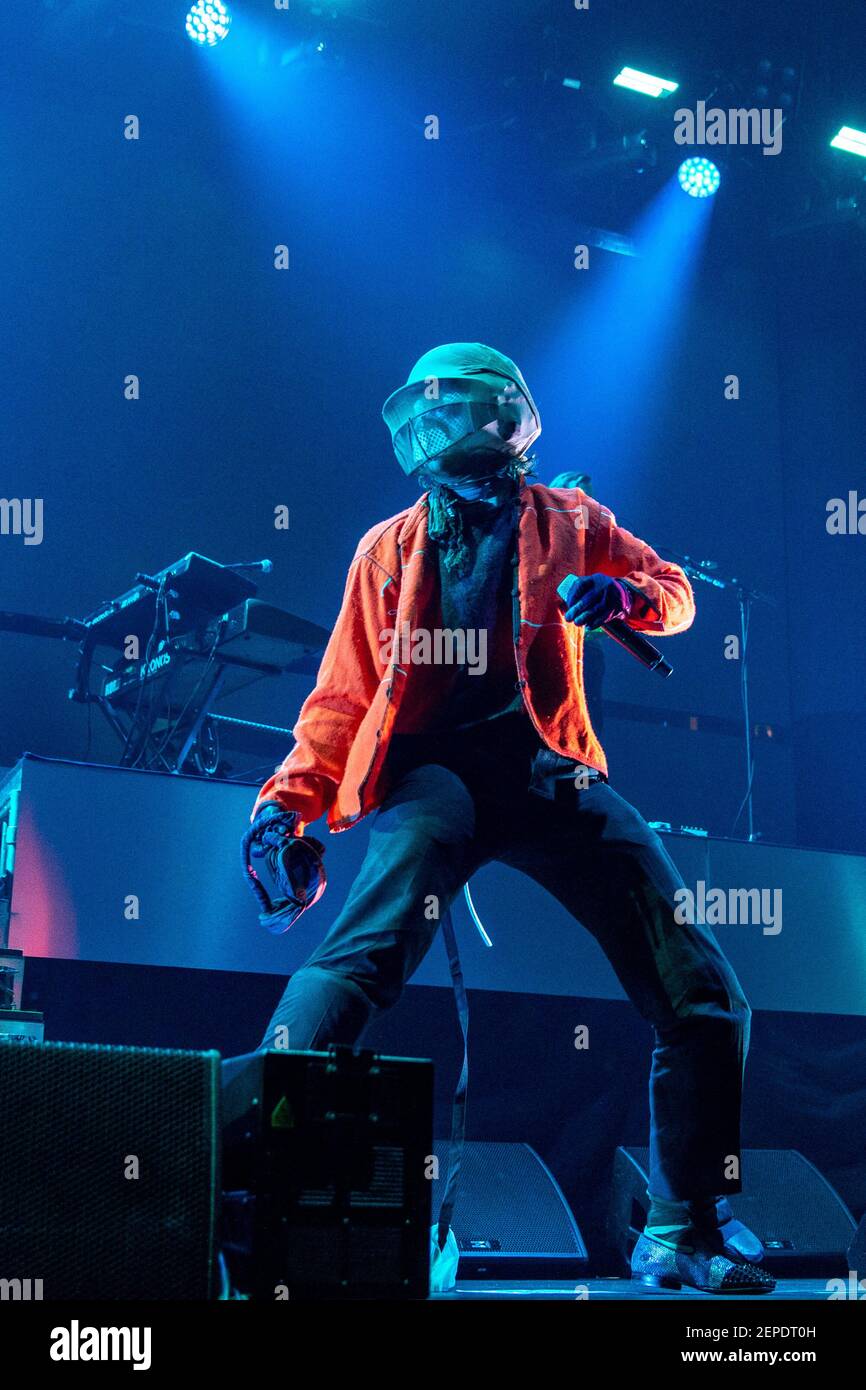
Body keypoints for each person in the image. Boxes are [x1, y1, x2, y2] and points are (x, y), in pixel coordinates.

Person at [246, 343, 773, 1294]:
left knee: (701, 985)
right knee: (359, 959)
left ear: (504, 416)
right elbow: (339, 699)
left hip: (546, 767)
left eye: (458, 410)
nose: (442, 428)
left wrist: (623, 595)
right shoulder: (387, 550)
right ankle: (255, 1202)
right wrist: (284, 808)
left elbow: (679, 597)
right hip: (436, 775)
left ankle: (685, 1224)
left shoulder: (572, 518)